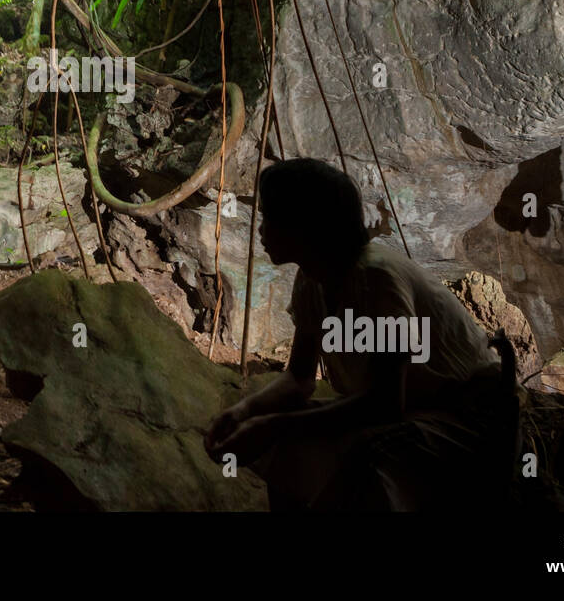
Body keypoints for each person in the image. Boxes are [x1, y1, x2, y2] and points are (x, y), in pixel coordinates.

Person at [204, 157, 518, 510]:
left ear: (307, 227)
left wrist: (274, 424)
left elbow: (385, 404)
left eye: (271, 219)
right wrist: (245, 412)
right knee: (286, 444)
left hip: (469, 417)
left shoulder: (375, 280)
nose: (260, 230)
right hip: (414, 409)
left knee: (366, 457)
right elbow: (299, 377)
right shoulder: (312, 280)